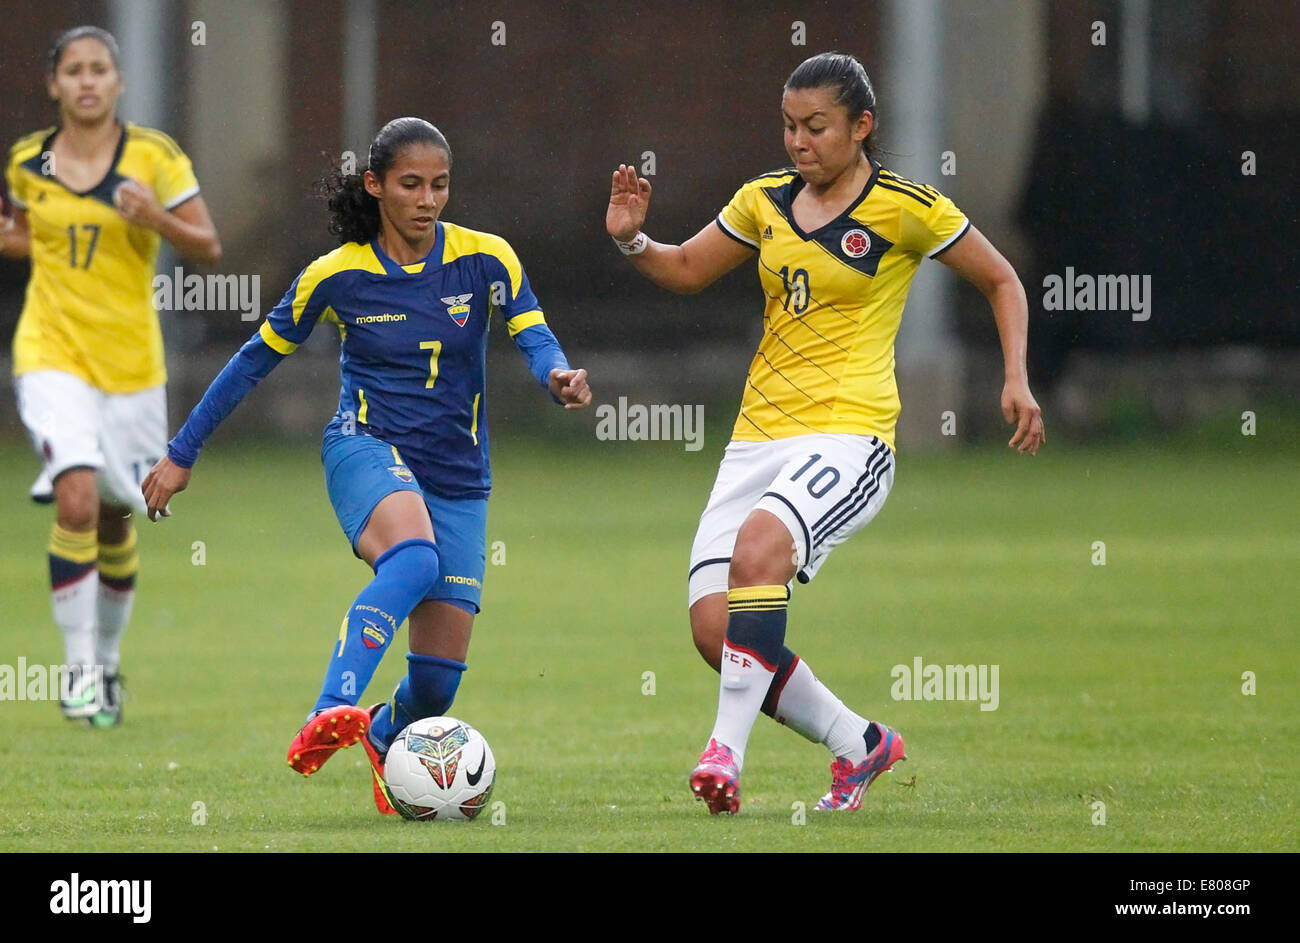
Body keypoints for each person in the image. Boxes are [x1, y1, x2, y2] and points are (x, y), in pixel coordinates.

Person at [606, 51, 1045, 814]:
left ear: (861, 127)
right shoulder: (761, 202)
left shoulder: (905, 207)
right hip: (755, 437)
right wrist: (631, 239)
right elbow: (683, 269)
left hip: (850, 435)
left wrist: (1015, 377)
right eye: (788, 127)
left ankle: (725, 753)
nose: (798, 143)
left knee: (759, 553)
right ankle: (859, 742)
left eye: (816, 127)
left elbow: (1002, 278)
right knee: (717, 628)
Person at [141, 117, 591, 814]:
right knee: (411, 560)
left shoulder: (486, 258)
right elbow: (250, 362)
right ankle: (329, 710)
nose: (428, 199)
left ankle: (382, 733)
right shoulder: (337, 274)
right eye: (411, 184)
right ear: (376, 185)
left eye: (440, 184)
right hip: (366, 448)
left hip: (460, 477)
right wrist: (181, 451)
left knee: (437, 685)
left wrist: (557, 374)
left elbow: (534, 334)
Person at [0, 26, 222, 727]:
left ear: (118, 82)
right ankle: (77, 672)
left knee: (116, 515)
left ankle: (108, 663)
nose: (88, 80)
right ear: (54, 84)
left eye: (100, 69)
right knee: (74, 499)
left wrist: (155, 217)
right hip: (50, 351)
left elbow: (209, 245)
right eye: (74, 70)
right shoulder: (26, 161)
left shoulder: (154, 156)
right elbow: (26, 232)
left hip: (130, 365)